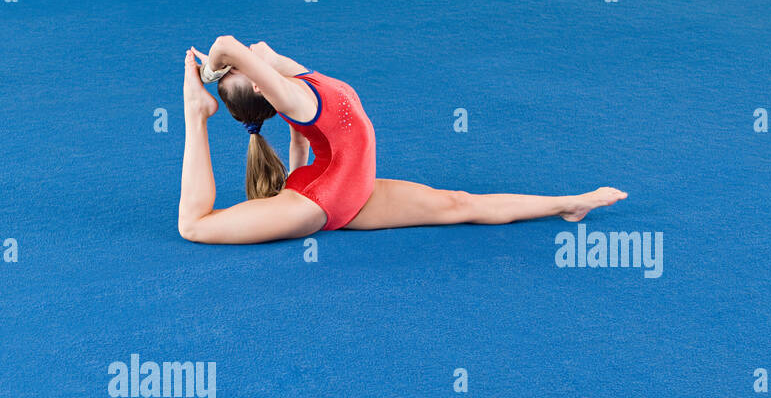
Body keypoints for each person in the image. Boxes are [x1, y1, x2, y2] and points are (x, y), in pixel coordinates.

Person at [178, 36, 626, 244]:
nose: (256, 54)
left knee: (458, 203)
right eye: (246, 68)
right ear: (260, 87)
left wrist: (240, 67)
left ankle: (569, 203)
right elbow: (226, 44)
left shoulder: (288, 73)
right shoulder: (289, 93)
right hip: (317, 204)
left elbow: (256, 49)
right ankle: (196, 115)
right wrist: (208, 75)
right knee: (194, 226)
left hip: (349, 188)